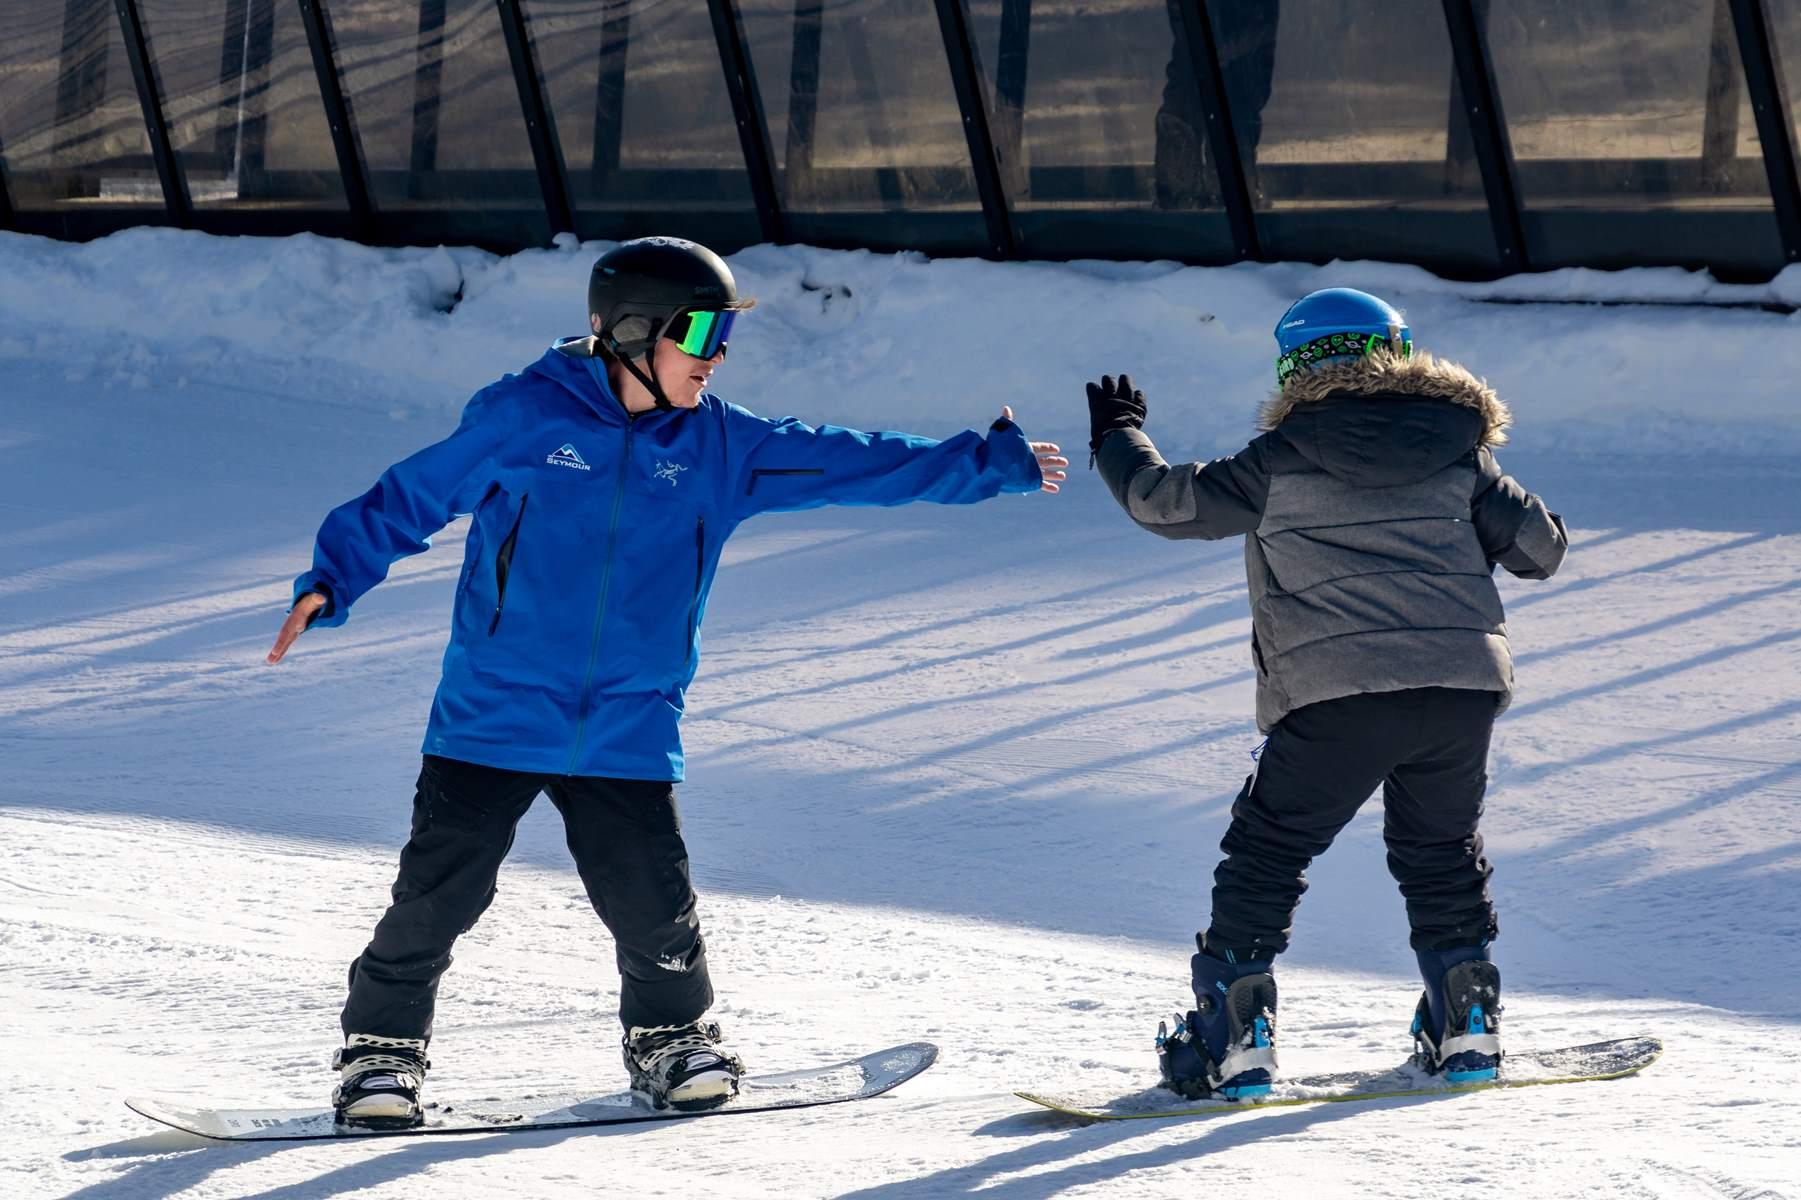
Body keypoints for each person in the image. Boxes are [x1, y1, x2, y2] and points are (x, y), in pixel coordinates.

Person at [267, 236, 1067, 1127]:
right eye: (701, 333)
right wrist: (331, 580)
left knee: (654, 909)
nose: (717, 356)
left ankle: (670, 1042)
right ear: (634, 333)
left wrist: (985, 464)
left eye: (724, 334)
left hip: (629, 723)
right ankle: (380, 1056)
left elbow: (856, 461)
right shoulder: (521, 419)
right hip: (491, 714)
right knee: (436, 899)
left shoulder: (722, 446)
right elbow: (407, 497)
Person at [1085, 287, 1566, 1100]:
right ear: (1402, 352)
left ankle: (1231, 1038)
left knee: (1268, 851)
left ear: (1292, 366)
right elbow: (1539, 551)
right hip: (1459, 690)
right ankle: (1467, 1024)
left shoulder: (1278, 459)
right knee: (1440, 851)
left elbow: (1159, 503)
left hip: (1334, 691)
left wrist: (1117, 434)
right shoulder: (1460, 454)